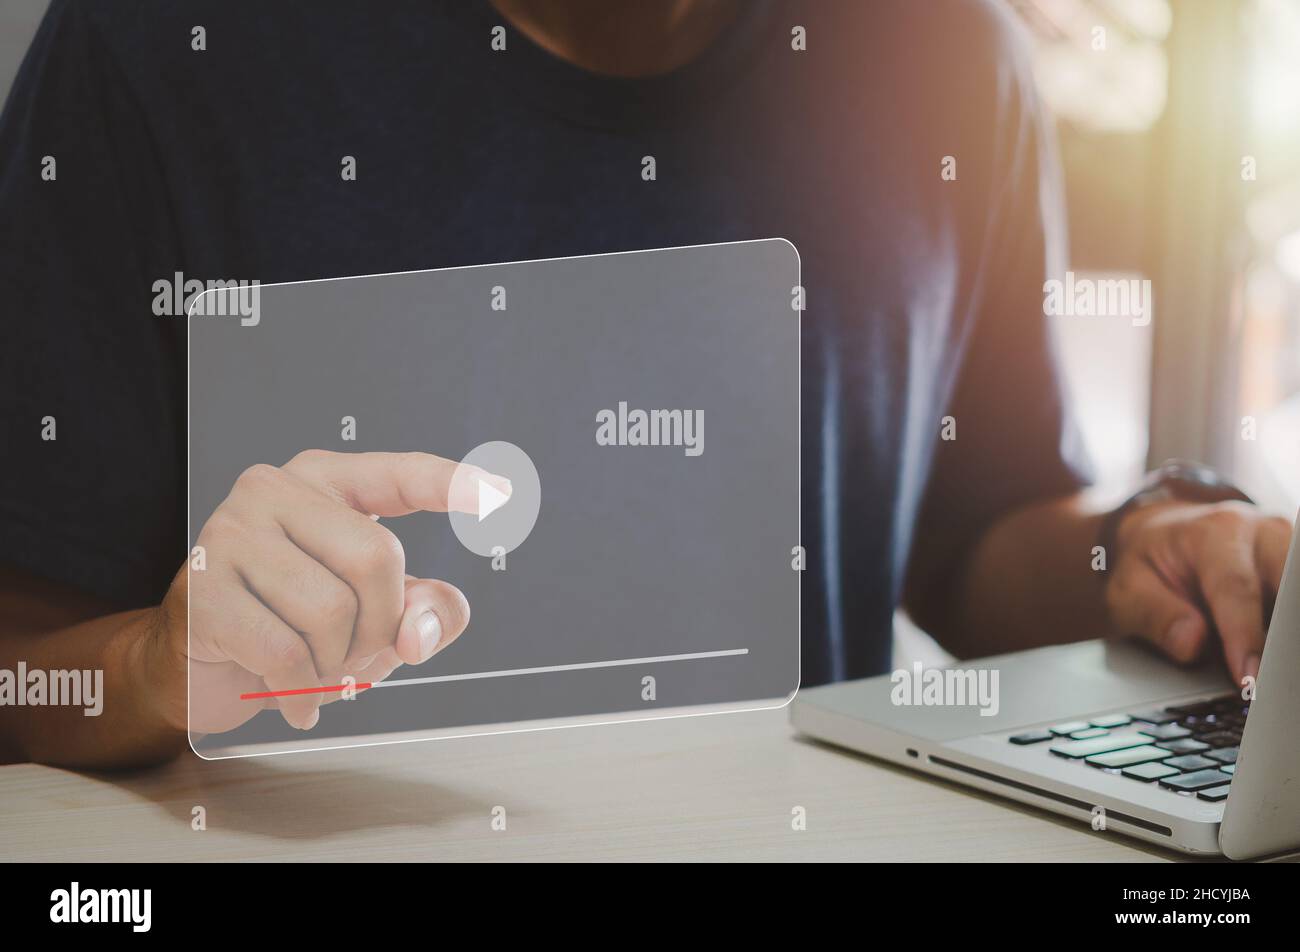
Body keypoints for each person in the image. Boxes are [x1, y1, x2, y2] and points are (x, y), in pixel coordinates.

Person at [0, 0, 1290, 767]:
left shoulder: (948, 54)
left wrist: (1136, 550)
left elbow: (968, 535)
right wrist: (159, 667)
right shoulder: (163, 48)